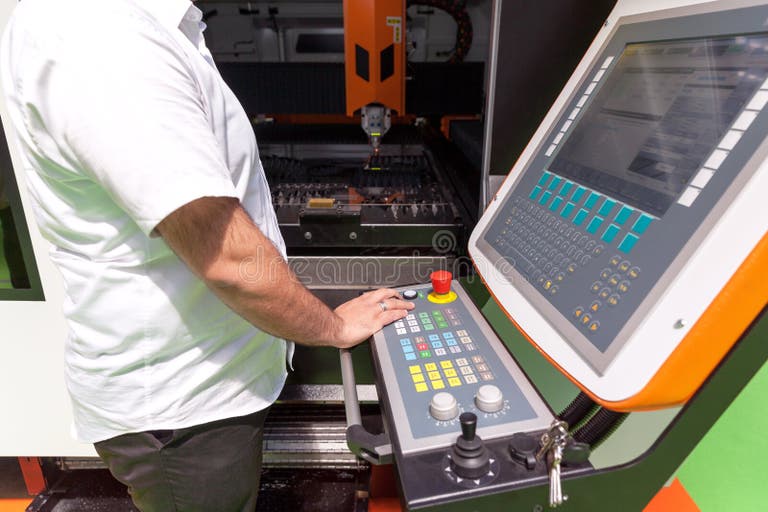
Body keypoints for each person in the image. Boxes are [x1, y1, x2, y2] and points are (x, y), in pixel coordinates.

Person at [0, 0, 414, 510]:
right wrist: (331, 327)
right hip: (183, 414)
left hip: (203, 395)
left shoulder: (138, 26)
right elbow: (231, 260)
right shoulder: (100, 35)